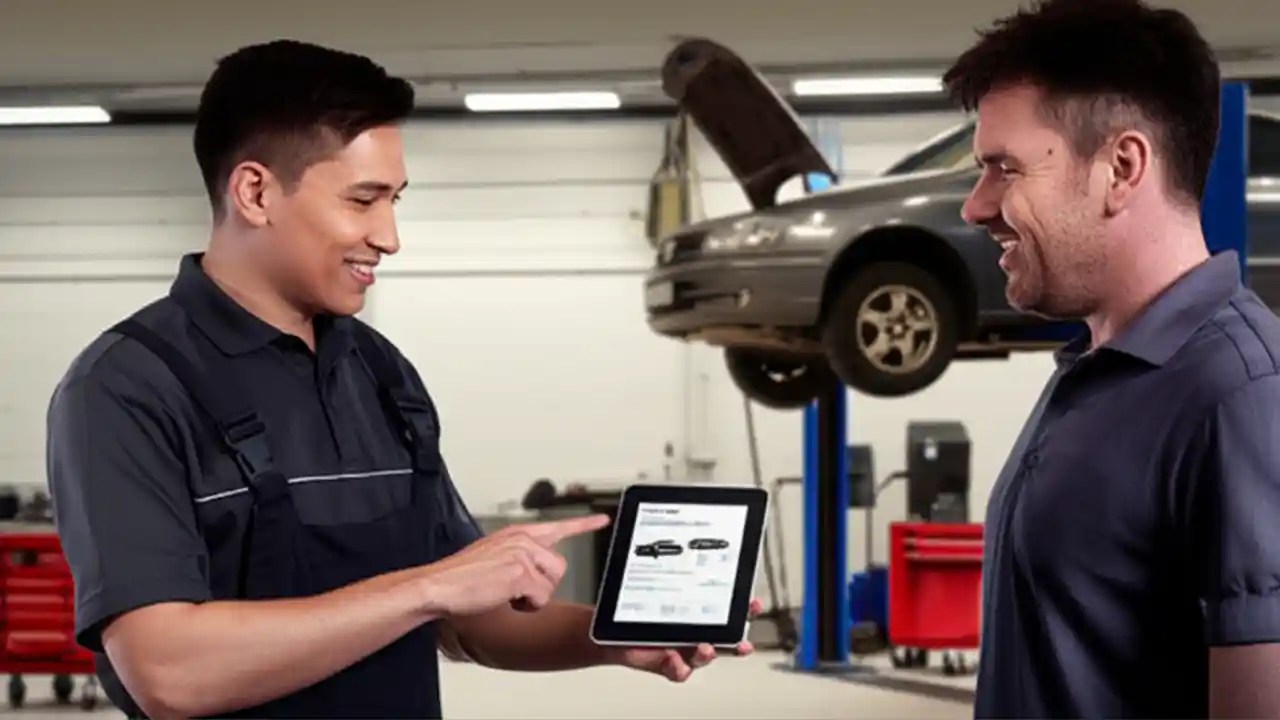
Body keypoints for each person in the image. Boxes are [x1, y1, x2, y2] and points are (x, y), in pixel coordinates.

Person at [45, 39, 755, 720]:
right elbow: (166, 672)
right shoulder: (127, 388)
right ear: (255, 193)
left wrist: (608, 633)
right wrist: (428, 588)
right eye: (363, 200)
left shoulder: (379, 372)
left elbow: (467, 625)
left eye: (396, 201)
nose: (389, 235)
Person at [941, 0, 1280, 717]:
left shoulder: (1242, 395)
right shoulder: (1099, 370)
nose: (975, 206)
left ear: (1121, 167)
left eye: (1004, 168)